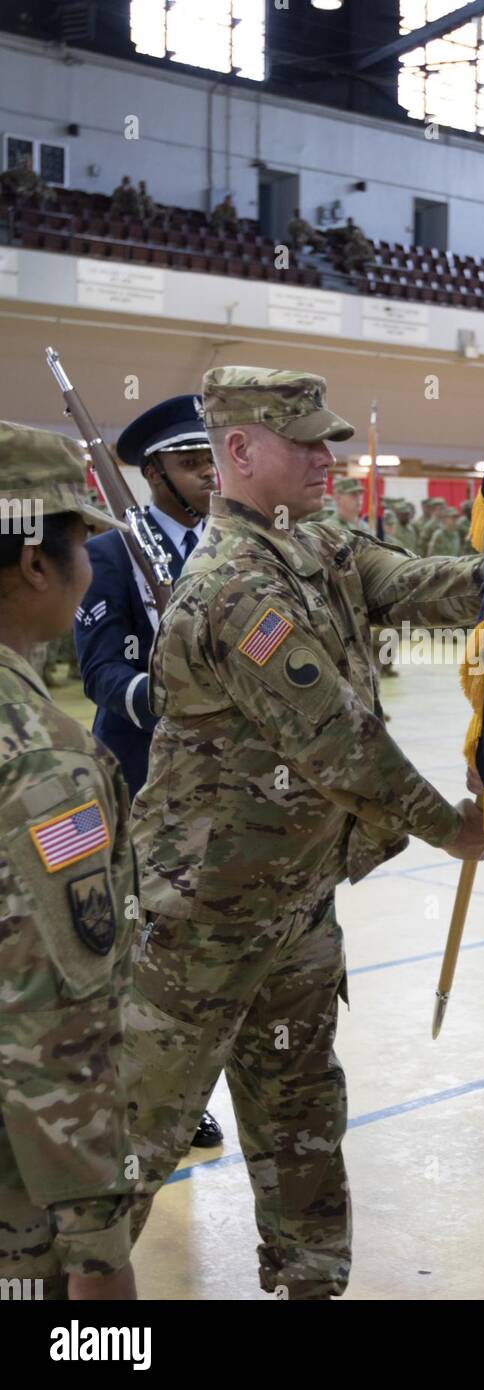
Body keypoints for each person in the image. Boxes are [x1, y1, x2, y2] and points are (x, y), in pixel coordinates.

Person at [126, 366, 484, 1300]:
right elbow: (335, 740)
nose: (329, 457)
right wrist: (449, 826)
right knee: (137, 1130)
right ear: (240, 451)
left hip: (293, 905)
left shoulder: (314, 541)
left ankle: (308, 1284)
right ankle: (58, 1297)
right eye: (306, 441)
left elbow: (412, 582)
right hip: (201, 921)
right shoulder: (230, 587)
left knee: (299, 1112)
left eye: (329, 437)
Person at [0, 422, 138, 1301]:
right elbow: (54, 1024)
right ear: (36, 566)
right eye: (80, 542)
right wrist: (99, 1254)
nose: (90, 569)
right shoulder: (39, 758)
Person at [73, 395, 223, 1153]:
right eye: (192, 460)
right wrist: (178, 696)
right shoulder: (108, 554)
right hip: (139, 779)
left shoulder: (227, 547)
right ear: (153, 470)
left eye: (213, 457)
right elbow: (101, 675)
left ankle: (184, 1091)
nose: (209, 472)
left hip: (220, 788)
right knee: (136, 945)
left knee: (201, 952)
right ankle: (132, 1093)